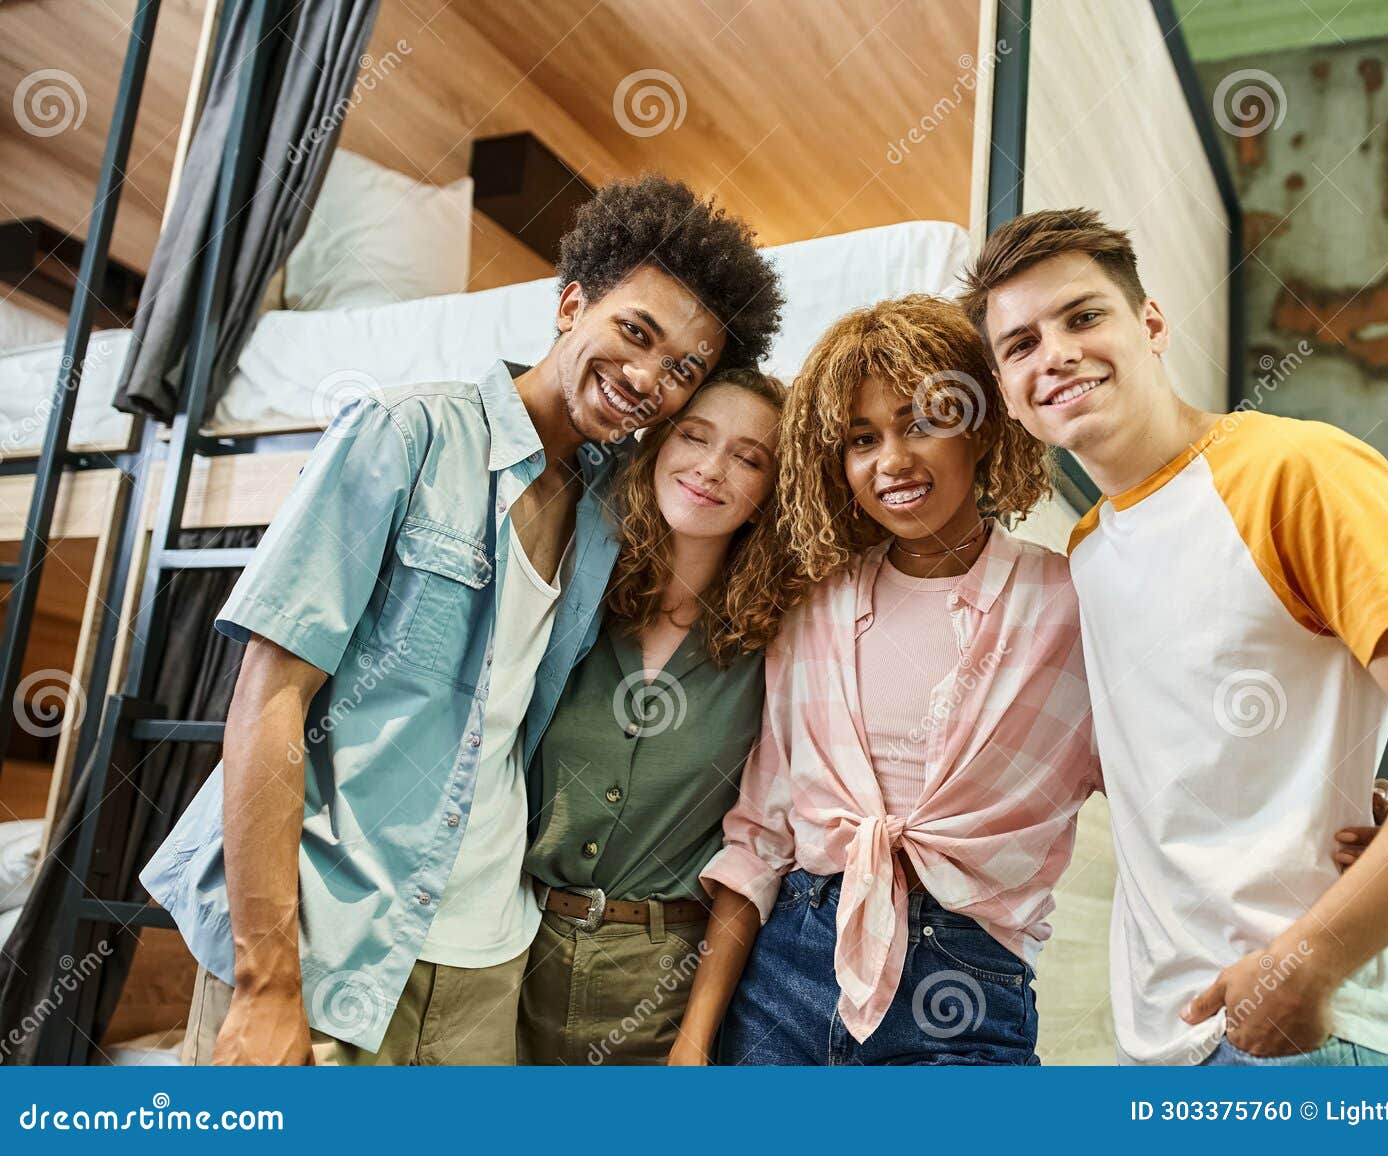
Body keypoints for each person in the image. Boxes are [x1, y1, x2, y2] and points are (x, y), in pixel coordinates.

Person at [142, 175, 783, 1066]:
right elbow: (269, 697)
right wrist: (266, 977)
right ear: (570, 304)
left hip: (489, 957)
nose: (647, 379)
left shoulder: (608, 515)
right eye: (636, 332)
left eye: (682, 369)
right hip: (332, 941)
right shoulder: (407, 435)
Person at [958, 208, 1388, 1066]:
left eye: (1083, 317)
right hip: (1167, 1043)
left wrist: (1304, 970)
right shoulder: (1087, 549)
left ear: (1152, 324)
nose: (1053, 353)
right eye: (1019, 346)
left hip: (1319, 1036)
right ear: (1008, 393)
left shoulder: (1298, 472)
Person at [676, 295, 1098, 1065]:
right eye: (861, 439)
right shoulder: (815, 609)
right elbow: (760, 838)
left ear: (979, 426)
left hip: (966, 987)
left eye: (920, 423)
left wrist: (1333, 820)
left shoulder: (1071, 604)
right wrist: (694, 1039)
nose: (891, 461)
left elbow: (1171, 785)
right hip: (786, 973)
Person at [518, 369, 807, 1065]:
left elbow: (755, 854)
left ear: (773, 490)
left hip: (664, 986)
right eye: (694, 437)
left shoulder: (779, 644)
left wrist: (692, 1039)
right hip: (513, 957)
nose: (711, 469)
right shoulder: (575, 598)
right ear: (656, 445)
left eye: (748, 457)